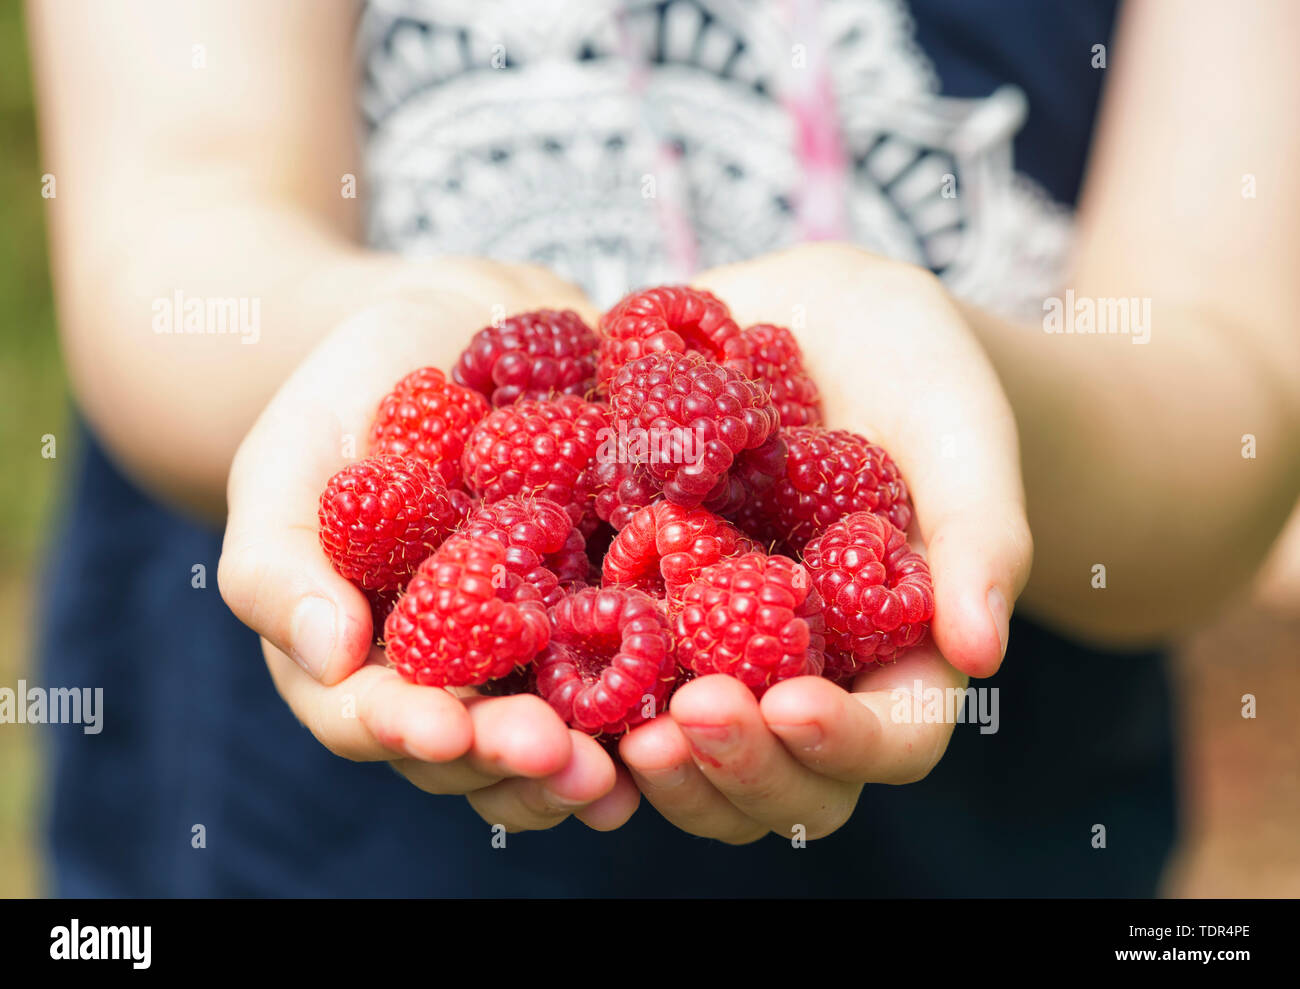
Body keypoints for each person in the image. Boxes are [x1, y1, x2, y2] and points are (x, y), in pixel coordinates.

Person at [28, 0, 1299, 896]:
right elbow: (176, 221)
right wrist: (367, 346)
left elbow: (1233, 397)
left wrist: (999, 400)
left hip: (986, 839)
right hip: (290, 845)